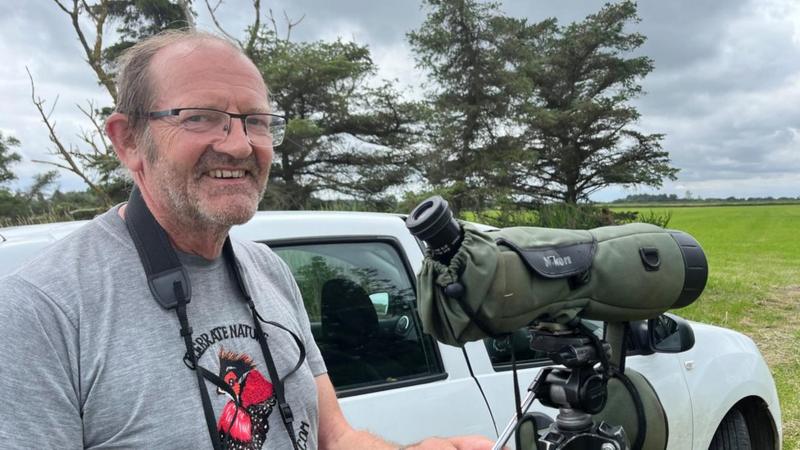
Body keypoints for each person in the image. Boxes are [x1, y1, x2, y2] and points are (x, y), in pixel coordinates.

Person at [0, 30, 498, 450]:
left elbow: (335, 438)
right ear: (129, 139)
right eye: (199, 116)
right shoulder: (40, 310)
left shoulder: (268, 270)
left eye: (256, 121)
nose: (239, 145)